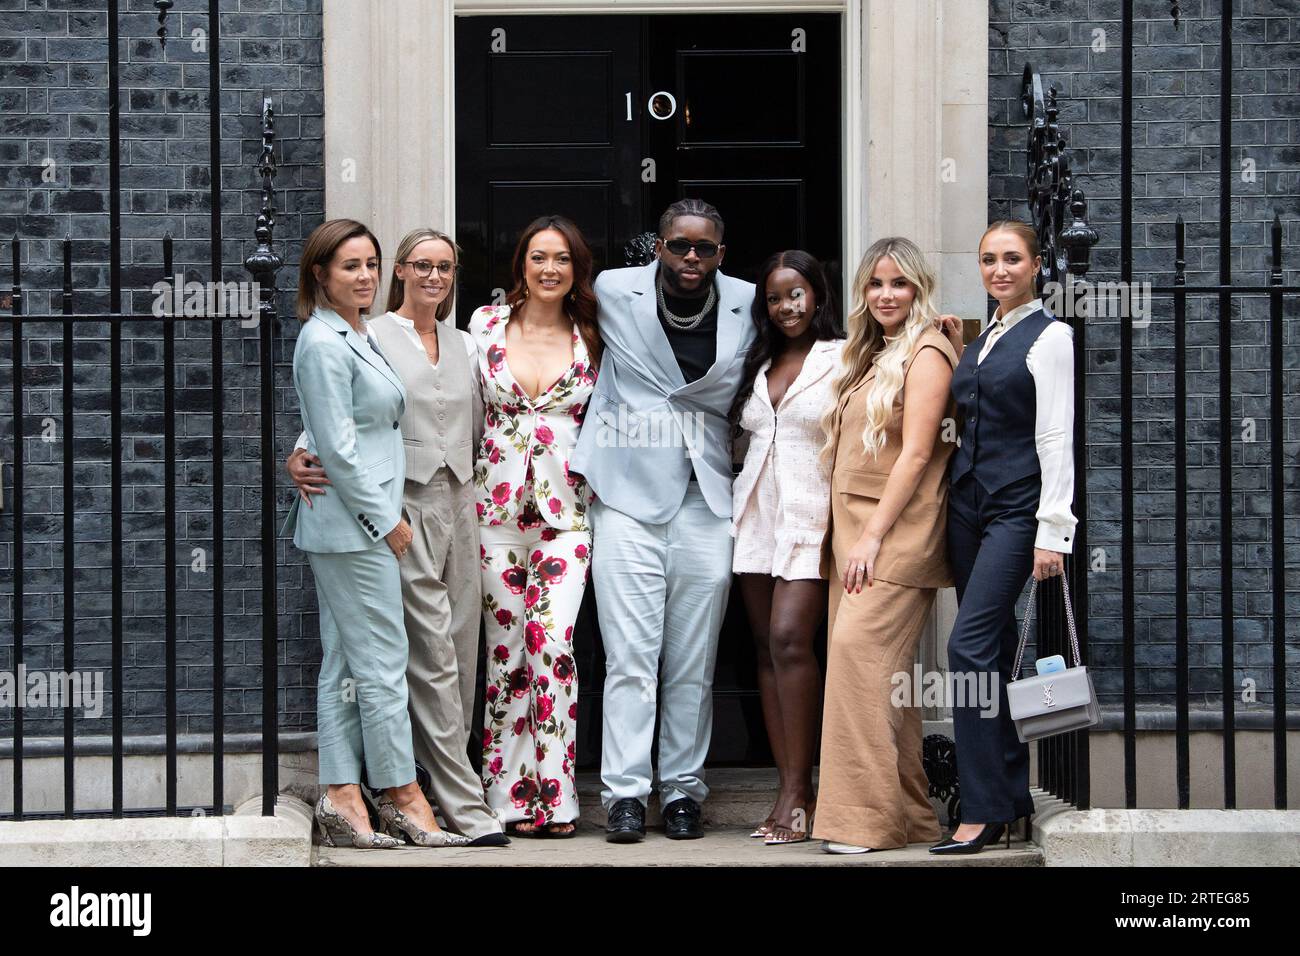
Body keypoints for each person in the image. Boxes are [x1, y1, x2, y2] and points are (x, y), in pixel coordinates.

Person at [286, 227, 508, 847]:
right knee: (396, 661)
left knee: (357, 663)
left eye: (369, 265)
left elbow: (344, 420)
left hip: (427, 505)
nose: (363, 275)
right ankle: (408, 795)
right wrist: (380, 517)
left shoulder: (374, 335)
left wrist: (310, 447)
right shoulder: (347, 336)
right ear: (321, 273)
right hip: (376, 517)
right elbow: (331, 430)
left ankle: (343, 794)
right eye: (350, 266)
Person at [571, 198, 756, 842]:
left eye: (704, 248)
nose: (691, 259)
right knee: (629, 655)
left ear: (720, 254)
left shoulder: (747, 302)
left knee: (693, 659)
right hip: (626, 494)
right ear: (660, 244)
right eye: (680, 245)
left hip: (707, 495)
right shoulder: (612, 290)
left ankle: (682, 791)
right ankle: (624, 792)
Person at [813, 236, 963, 853]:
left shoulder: (927, 351)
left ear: (919, 287)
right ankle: (912, 818)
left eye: (898, 283)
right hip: (855, 532)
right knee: (888, 689)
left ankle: (862, 823)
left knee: (857, 665)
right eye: (876, 283)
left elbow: (921, 452)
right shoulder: (874, 354)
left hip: (891, 536)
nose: (885, 294)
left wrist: (872, 538)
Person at [930, 219, 1076, 855]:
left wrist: (1054, 532)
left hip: (1018, 510)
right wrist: (960, 344)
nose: (999, 270)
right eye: (988, 259)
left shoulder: (1052, 337)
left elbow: (1055, 439)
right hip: (967, 507)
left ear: (1037, 265)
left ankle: (983, 807)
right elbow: (972, 407)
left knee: (966, 650)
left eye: (1012, 259)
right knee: (984, 655)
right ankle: (1009, 794)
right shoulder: (984, 337)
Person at [473, 215, 600, 838]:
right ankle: (507, 796)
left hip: (566, 516)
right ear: (521, 264)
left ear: (577, 270)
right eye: (539, 257)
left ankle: (557, 796)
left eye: (563, 259)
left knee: (551, 645)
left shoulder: (593, 337)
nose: (550, 268)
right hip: (492, 514)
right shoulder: (483, 326)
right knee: (506, 653)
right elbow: (429, 391)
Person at [729, 250, 844, 845]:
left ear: (817, 296)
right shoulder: (759, 361)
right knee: (765, 651)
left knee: (790, 639)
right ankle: (786, 786)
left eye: (795, 294)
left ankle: (802, 792)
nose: (786, 306)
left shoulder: (845, 358)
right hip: (755, 517)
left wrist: (946, 335)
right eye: (775, 298)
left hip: (812, 516)